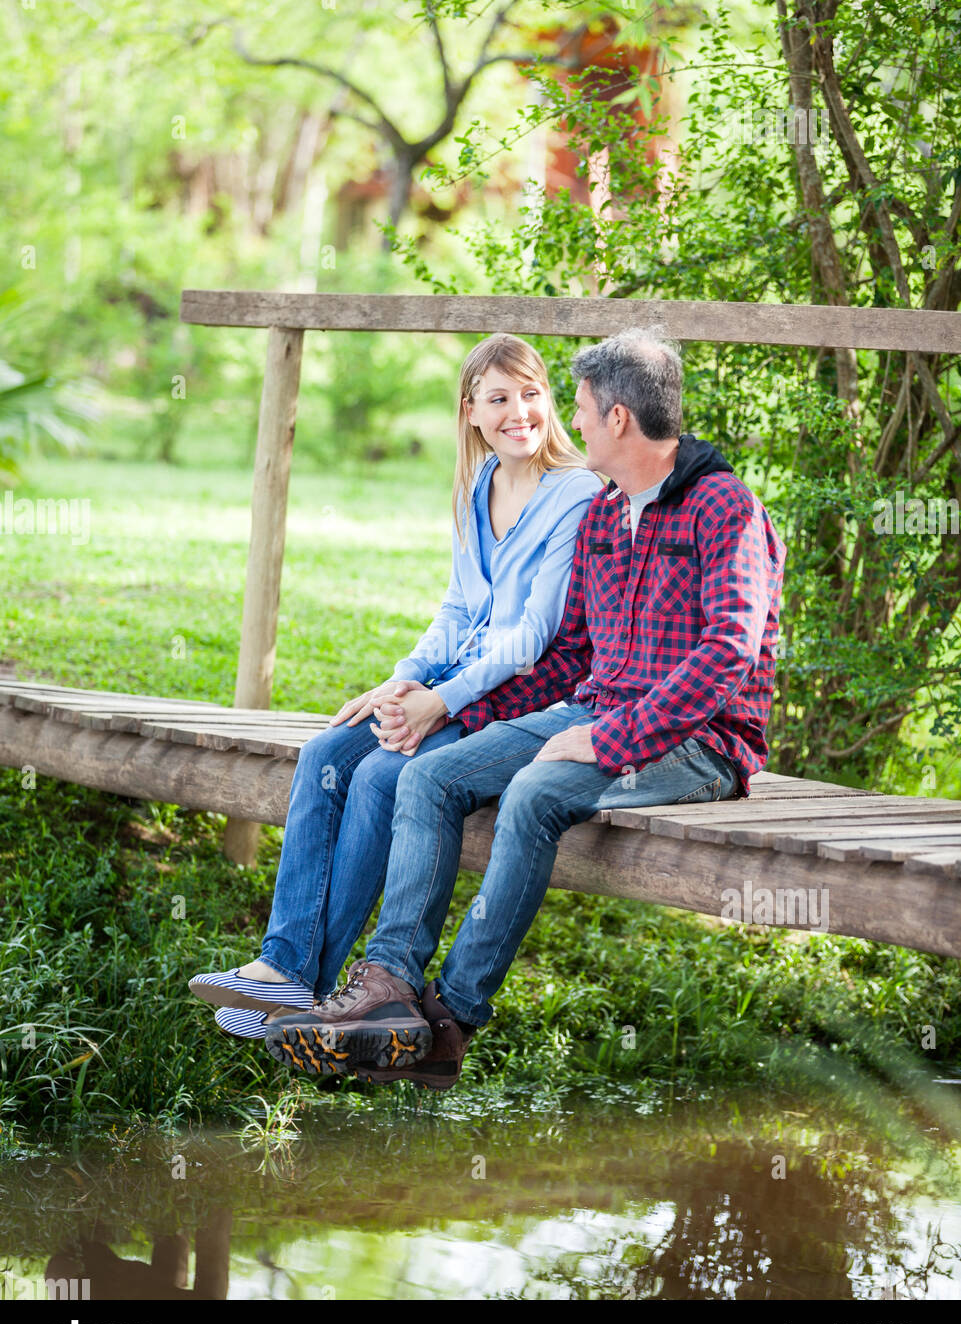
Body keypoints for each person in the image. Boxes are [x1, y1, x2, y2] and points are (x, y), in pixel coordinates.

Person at [265, 327, 787, 1089]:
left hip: (698, 742)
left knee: (536, 793)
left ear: (616, 419)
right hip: (590, 711)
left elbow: (726, 656)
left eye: (576, 409)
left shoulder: (723, 509)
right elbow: (567, 655)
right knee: (430, 777)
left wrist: (610, 737)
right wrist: (454, 711)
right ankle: (387, 986)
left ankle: (450, 1020)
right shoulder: (606, 517)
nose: (568, 425)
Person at [188, 333, 603, 1037]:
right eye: (498, 398)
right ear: (470, 410)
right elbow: (458, 609)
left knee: (381, 776)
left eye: (530, 393)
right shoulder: (478, 488)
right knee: (327, 753)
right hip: (449, 679)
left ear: (549, 401)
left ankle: (307, 982)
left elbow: (529, 635)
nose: (518, 412)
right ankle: (285, 968)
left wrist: (438, 701)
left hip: (514, 695)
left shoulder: (576, 492)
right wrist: (400, 681)